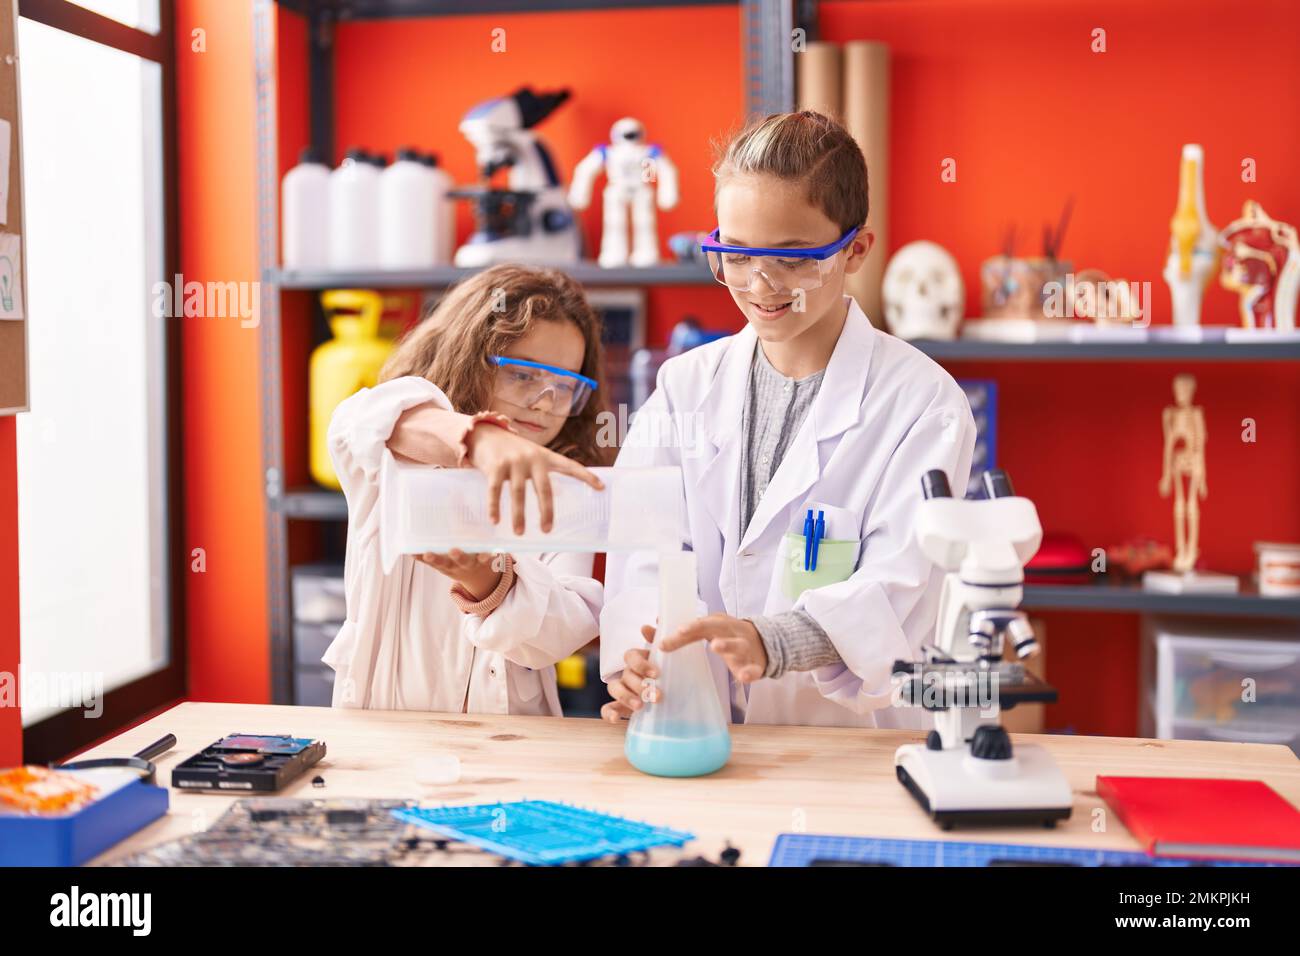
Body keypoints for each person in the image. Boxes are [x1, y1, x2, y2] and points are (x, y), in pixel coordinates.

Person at [601, 110, 977, 728]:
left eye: (795, 258)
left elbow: (897, 588)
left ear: (855, 250)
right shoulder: (683, 387)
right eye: (736, 253)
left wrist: (772, 641)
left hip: (845, 750)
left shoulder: (923, 404)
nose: (761, 282)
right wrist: (643, 660)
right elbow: (644, 554)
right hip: (698, 731)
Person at [324, 264, 608, 714]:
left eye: (566, 384)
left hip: (512, 737)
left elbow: (559, 635)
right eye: (523, 375)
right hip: (386, 725)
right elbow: (356, 422)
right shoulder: (396, 457)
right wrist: (478, 439)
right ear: (468, 357)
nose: (547, 401)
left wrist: (486, 581)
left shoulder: (562, 488)